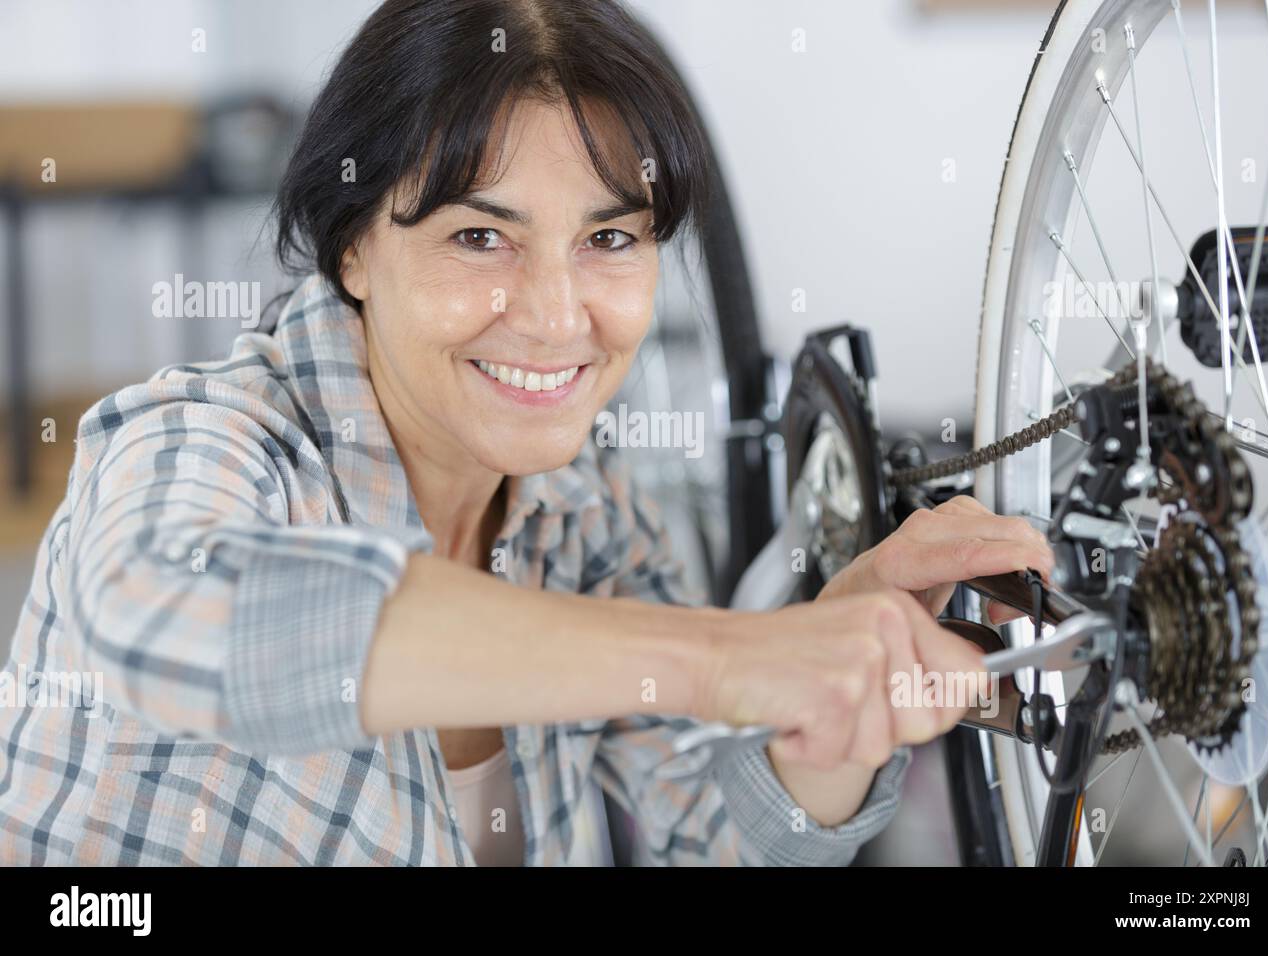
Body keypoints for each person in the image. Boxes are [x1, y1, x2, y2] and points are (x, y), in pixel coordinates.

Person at [0, 0, 1052, 866]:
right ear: (352, 249)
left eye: (607, 237)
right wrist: (725, 656)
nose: (555, 315)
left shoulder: (581, 507)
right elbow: (170, 611)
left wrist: (833, 704)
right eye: (478, 235)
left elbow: (714, 829)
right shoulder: (204, 439)